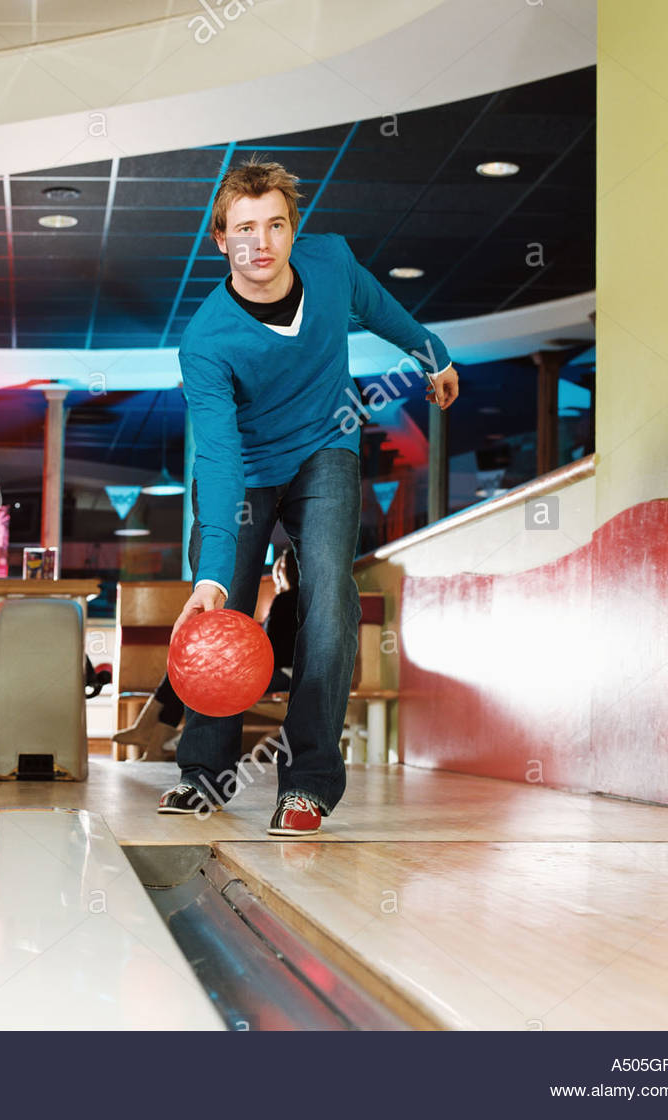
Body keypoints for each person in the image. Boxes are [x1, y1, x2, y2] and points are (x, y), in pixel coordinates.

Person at [158, 159, 459, 835]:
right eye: (243, 229)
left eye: (274, 226)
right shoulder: (206, 341)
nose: (259, 243)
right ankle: (202, 774)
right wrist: (210, 572)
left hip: (325, 449)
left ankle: (309, 784)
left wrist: (432, 352)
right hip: (244, 470)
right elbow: (220, 454)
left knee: (330, 596)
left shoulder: (332, 263)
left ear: (295, 232)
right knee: (224, 606)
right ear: (220, 240)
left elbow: (382, 308)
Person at [114, 547, 298, 759]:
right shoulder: (299, 600)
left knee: (195, 673)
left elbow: (273, 650)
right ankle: (153, 739)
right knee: (193, 671)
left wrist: (239, 660)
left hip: (282, 673)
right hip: (284, 671)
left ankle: (151, 735)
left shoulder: (286, 600)